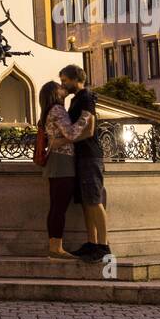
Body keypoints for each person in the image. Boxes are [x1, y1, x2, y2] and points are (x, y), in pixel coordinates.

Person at [38, 81, 96, 258]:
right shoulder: (57, 109)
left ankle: (54, 246)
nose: (64, 89)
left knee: (56, 205)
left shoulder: (49, 110)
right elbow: (71, 133)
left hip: (56, 161)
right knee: (59, 207)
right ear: (55, 93)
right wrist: (86, 117)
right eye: (60, 87)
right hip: (62, 161)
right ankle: (56, 248)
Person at [59, 64, 109, 260]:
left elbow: (89, 129)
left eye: (65, 81)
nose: (63, 84)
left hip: (90, 155)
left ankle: (103, 247)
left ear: (75, 79)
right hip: (81, 156)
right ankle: (92, 242)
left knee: (95, 201)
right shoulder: (76, 99)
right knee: (86, 202)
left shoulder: (87, 97)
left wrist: (65, 140)